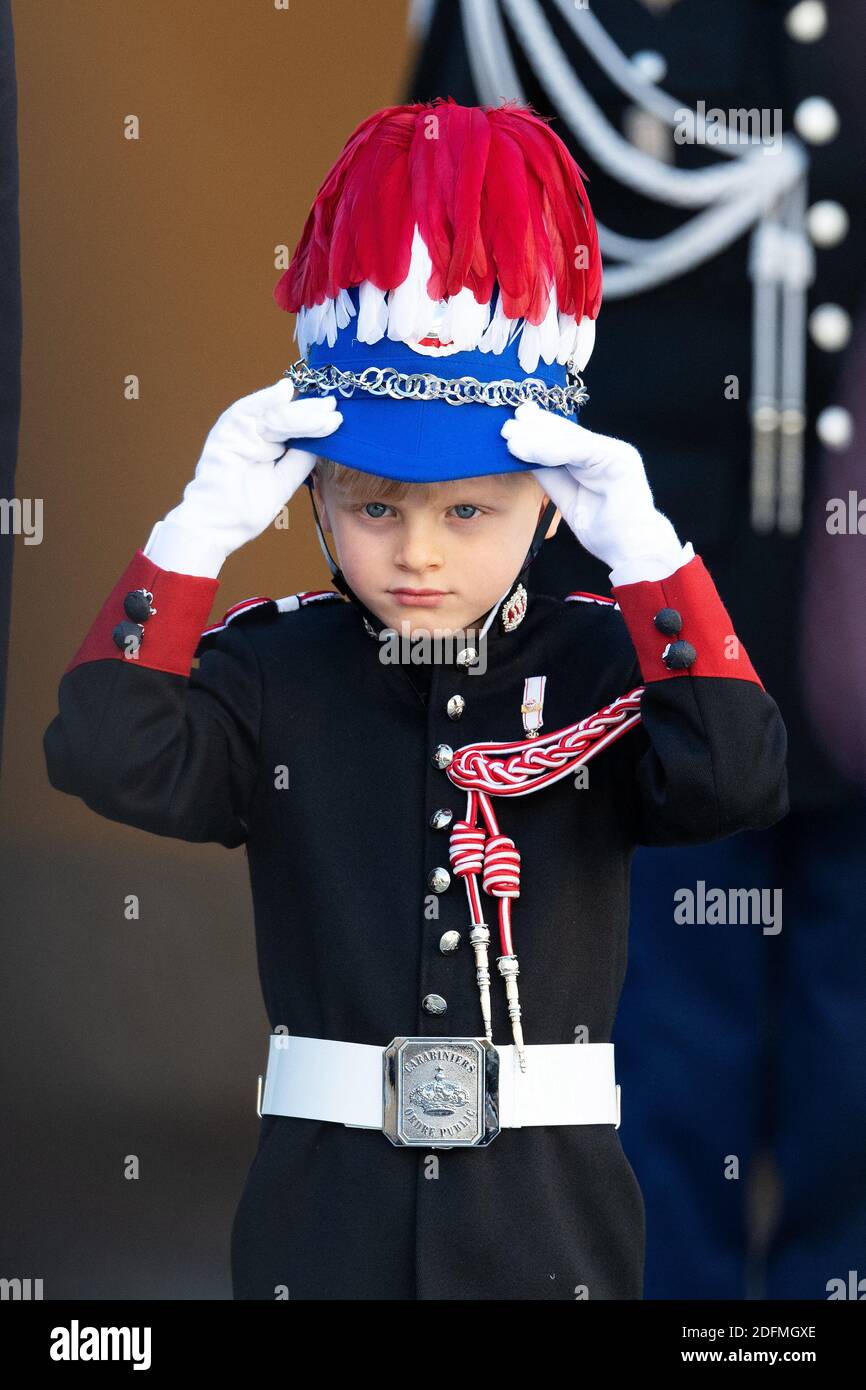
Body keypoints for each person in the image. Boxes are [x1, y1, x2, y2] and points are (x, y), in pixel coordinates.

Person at [42, 99, 788, 1300]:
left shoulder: (603, 663)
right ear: (315, 499)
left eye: (471, 510)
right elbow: (102, 750)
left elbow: (737, 774)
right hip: (320, 1230)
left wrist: (652, 559)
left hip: (551, 1234)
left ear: (549, 501)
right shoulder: (275, 671)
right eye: (375, 506)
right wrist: (194, 534)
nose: (419, 554)